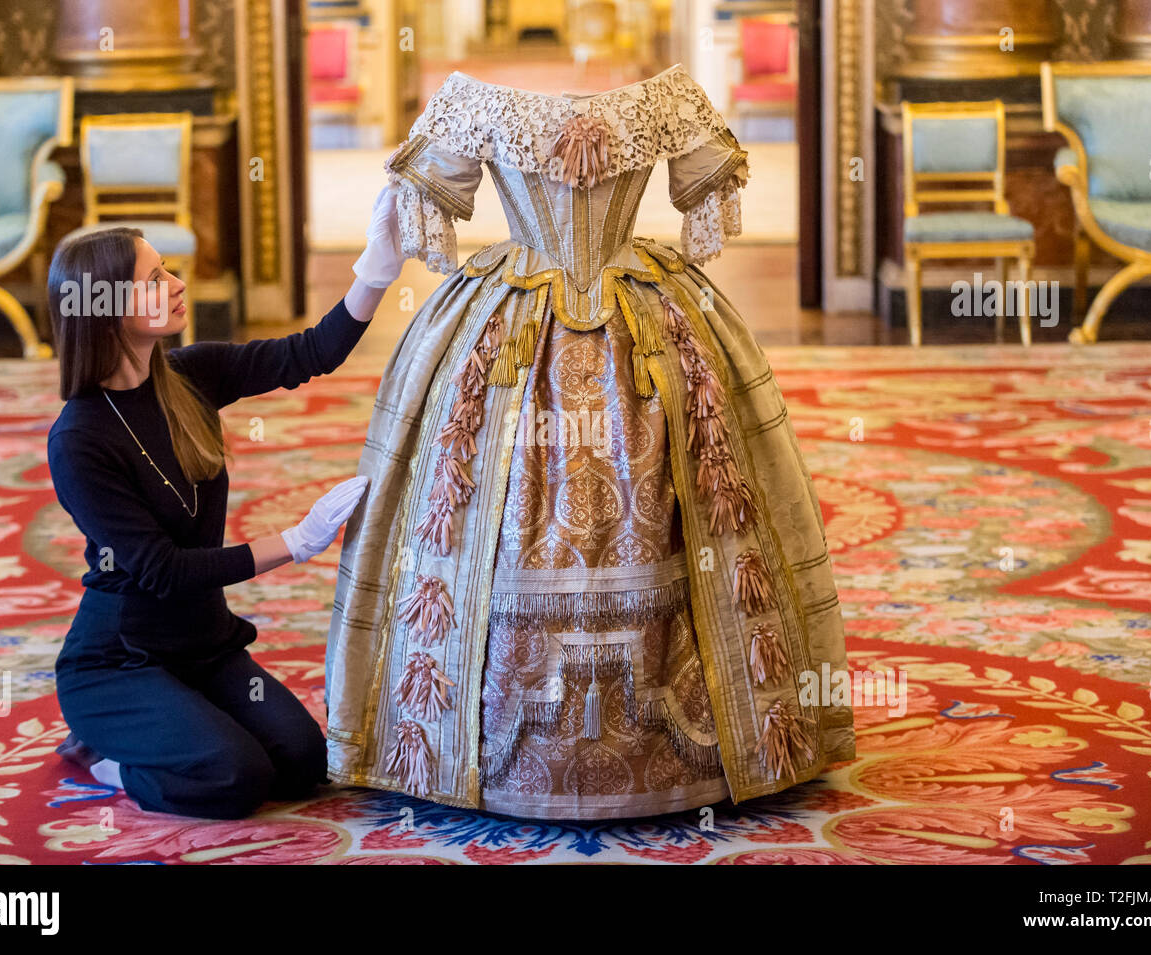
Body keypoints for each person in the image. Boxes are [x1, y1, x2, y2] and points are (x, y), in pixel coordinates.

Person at [324, 66, 856, 819]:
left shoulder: (487, 101)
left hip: (548, 317)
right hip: (618, 315)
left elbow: (422, 211)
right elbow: (708, 206)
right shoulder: (657, 97)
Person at [48, 188, 405, 819]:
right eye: (154, 279)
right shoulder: (78, 439)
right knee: (234, 777)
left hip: (204, 647)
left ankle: (179, 721)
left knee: (303, 763)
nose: (177, 283)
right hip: (121, 660)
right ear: (106, 309)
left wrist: (376, 267)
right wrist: (295, 542)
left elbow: (310, 353)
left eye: (167, 270)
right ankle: (109, 759)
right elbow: (162, 570)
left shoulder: (189, 375)